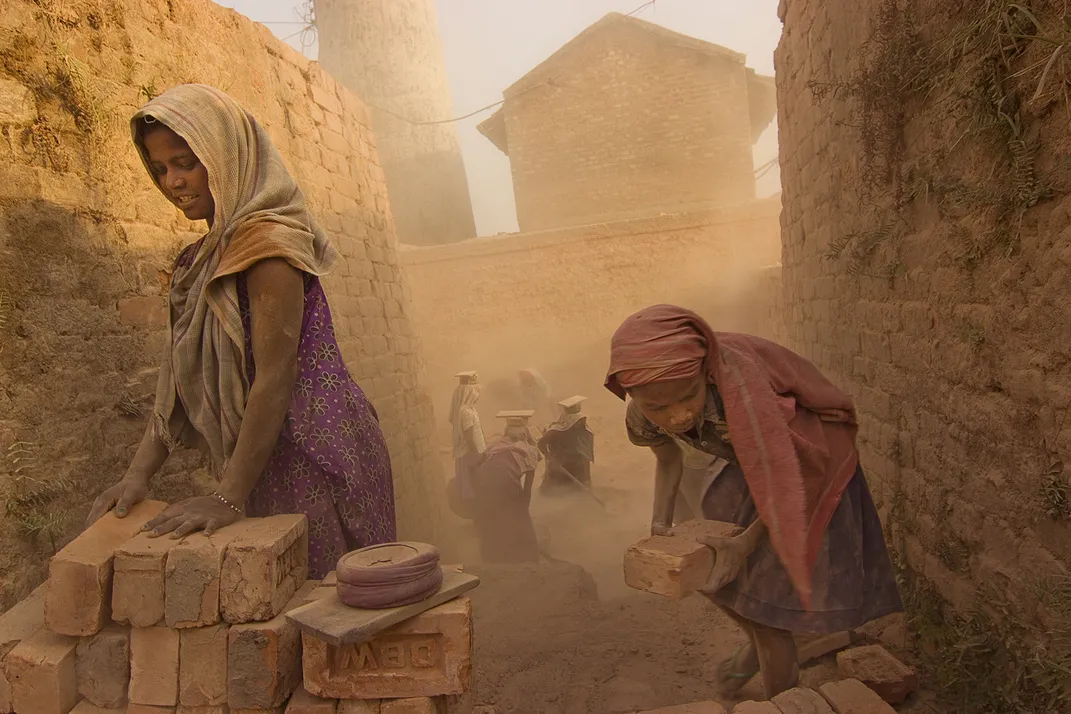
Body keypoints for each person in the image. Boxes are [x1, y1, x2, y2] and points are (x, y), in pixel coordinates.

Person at [86, 84, 396, 578]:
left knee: (332, 606)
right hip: (259, 455)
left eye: (186, 163)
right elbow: (179, 382)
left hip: (313, 450)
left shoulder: (268, 244)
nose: (173, 182)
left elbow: (276, 375)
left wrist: (227, 497)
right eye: (161, 168)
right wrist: (136, 476)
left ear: (226, 156)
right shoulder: (197, 260)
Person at [604, 304, 902, 699]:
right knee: (716, 575)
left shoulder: (743, 399)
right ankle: (757, 645)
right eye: (658, 407)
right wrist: (661, 525)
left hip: (810, 459)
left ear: (706, 375)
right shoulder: (642, 417)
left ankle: (782, 697)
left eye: (687, 398)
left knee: (769, 607)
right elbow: (668, 458)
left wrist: (745, 542)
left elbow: (796, 476)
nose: (677, 417)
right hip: (750, 462)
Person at [469, 410, 542, 563]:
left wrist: (478, 494)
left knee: (493, 520)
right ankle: (528, 557)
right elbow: (527, 489)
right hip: (505, 486)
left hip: (484, 486)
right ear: (525, 434)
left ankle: (491, 558)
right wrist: (523, 512)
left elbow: (473, 466)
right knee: (517, 521)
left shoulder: (495, 446)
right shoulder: (529, 451)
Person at [446, 371, 486, 519]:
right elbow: (470, 438)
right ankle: (478, 518)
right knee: (475, 486)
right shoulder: (466, 412)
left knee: (475, 487)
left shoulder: (466, 409)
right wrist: (478, 455)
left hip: (471, 453)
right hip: (471, 455)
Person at [537, 395, 595, 495]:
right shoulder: (556, 431)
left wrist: (587, 481)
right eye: (578, 421)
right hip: (559, 466)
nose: (582, 423)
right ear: (572, 421)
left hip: (577, 467)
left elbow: (586, 457)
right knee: (552, 493)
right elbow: (541, 443)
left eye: (582, 420)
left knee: (577, 493)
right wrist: (550, 457)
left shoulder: (585, 433)